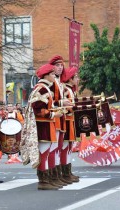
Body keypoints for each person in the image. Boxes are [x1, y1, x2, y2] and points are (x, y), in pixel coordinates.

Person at [22, 63, 63, 190]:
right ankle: (43, 181)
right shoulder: (42, 89)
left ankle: (46, 179)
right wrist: (53, 114)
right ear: (46, 75)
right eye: (52, 74)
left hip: (46, 125)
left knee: (45, 152)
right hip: (43, 126)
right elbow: (38, 110)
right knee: (43, 153)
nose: (54, 76)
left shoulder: (45, 88)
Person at [48, 55, 73, 186]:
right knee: (53, 148)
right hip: (54, 118)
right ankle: (52, 176)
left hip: (61, 118)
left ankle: (58, 175)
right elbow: (49, 101)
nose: (60, 68)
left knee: (58, 148)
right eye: (57, 65)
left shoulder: (59, 82)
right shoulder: (51, 83)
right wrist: (62, 102)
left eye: (61, 65)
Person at [61, 66, 80, 183]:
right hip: (66, 121)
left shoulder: (71, 90)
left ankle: (67, 172)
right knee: (64, 147)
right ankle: (64, 173)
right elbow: (65, 107)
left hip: (70, 120)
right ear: (70, 78)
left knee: (68, 148)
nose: (78, 79)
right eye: (76, 77)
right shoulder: (66, 90)